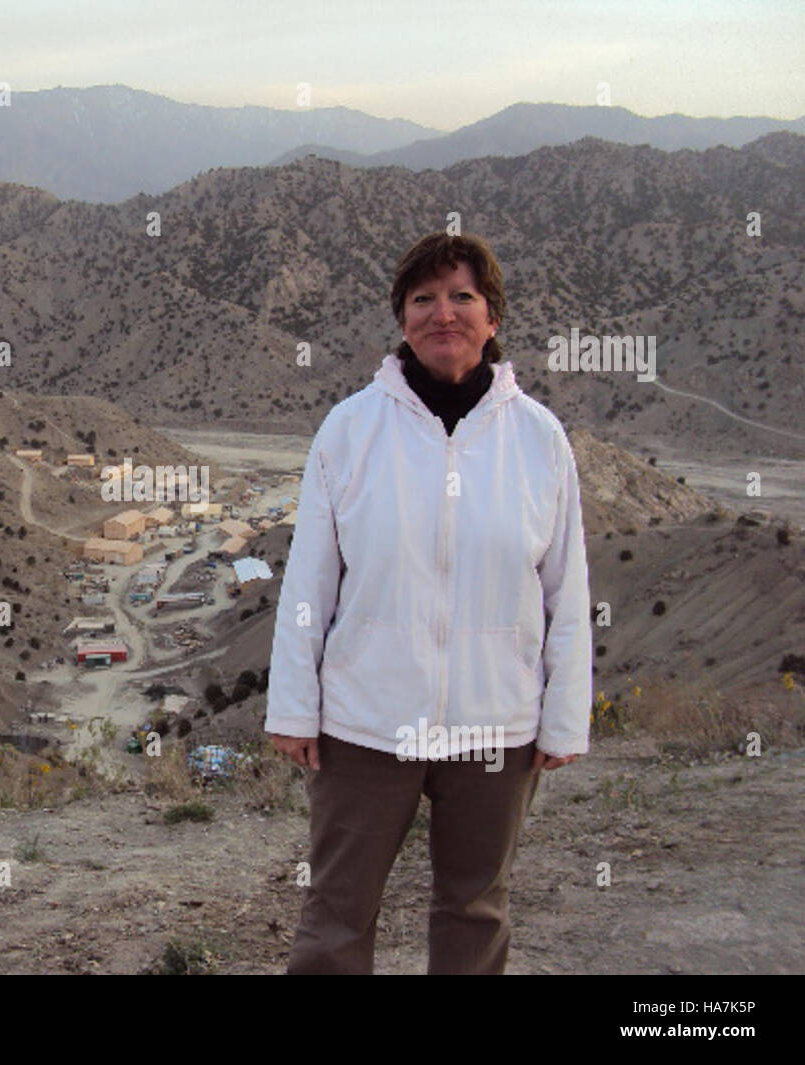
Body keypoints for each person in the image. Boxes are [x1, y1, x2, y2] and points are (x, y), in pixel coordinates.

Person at [265, 232, 592, 975]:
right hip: (365, 722)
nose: (442, 313)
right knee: (337, 912)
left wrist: (563, 713)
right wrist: (293, 705)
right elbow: (309, 581)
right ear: (402, 318)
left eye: (462, 297)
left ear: (493, 316)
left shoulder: (539, 439)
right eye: (423, 299)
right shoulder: (350, 430)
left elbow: (566, 588)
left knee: (475, 909)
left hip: (495, 726)